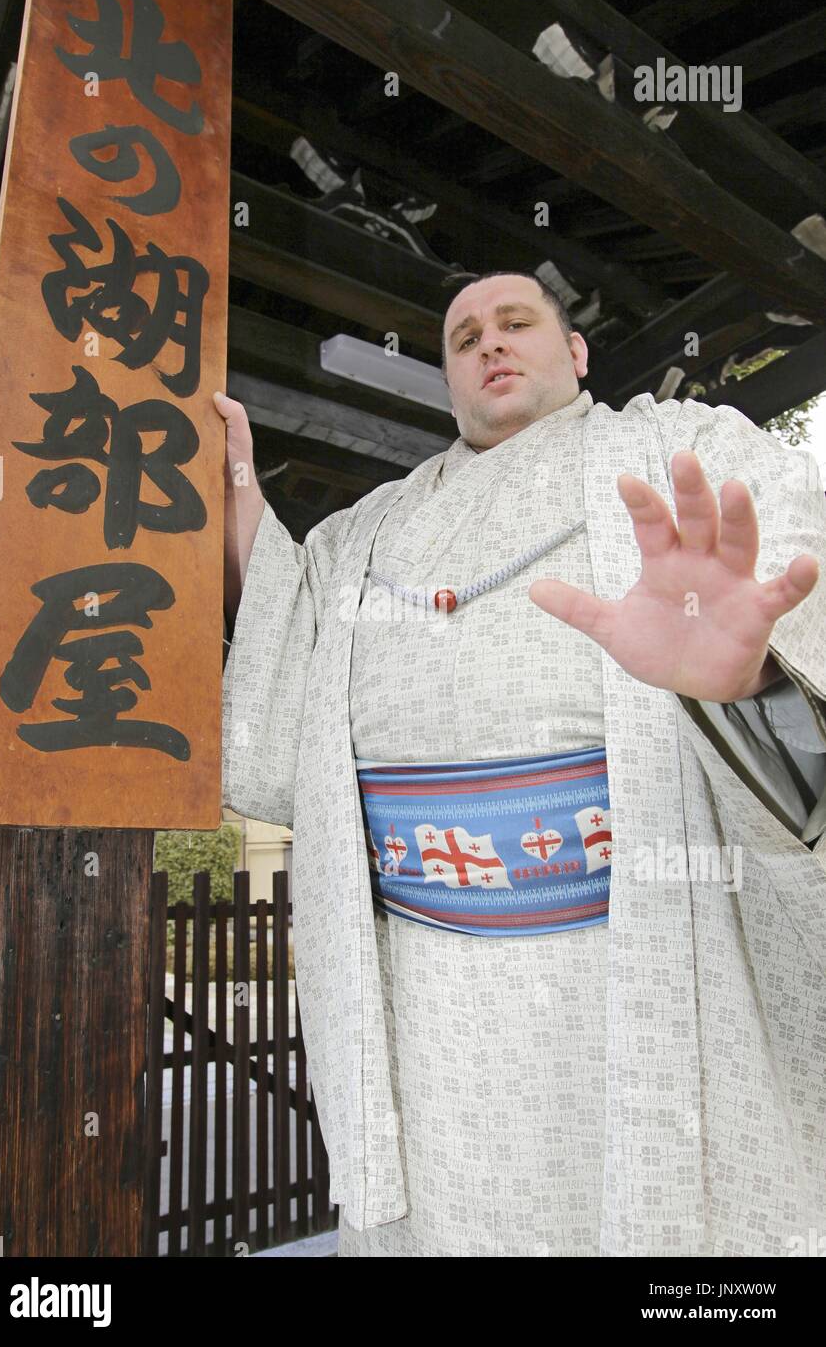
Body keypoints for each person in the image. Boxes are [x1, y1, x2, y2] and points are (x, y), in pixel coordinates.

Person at [218, 270, 826, 1257]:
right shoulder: (368, 529)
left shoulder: (682, 449)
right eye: (463, 339)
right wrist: (236, 489)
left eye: (514, 323)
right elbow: (285, 648)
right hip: (422, 973)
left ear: (575, 352)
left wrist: (749, 673)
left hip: (646, 945)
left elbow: (794, 548)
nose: (488, 345)